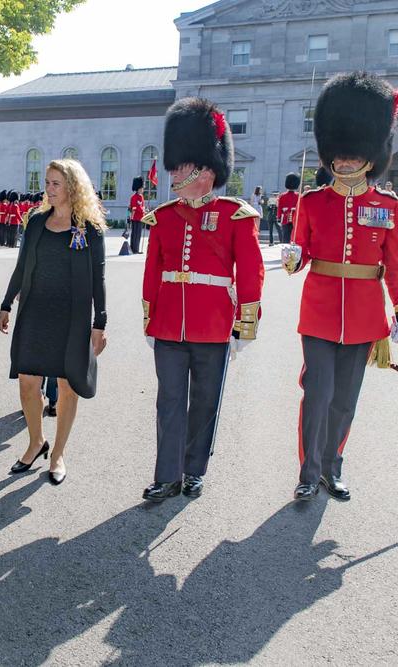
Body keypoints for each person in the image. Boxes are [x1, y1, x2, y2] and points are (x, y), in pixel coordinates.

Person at [282, 71, 398, 502]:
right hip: (319, 311)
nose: (342, 161)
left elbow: (395, 266)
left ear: (370, 155)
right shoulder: (312, 201)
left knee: (344, 401)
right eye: (336, 155)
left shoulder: (388, 205)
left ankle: (332, 466)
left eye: (351, 154)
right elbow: (301, 253)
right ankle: (309, 470)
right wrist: (292, 257)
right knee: (317, 394)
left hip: (363, 316)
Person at [141, 97, 265, 502]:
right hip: (168, 326)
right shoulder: (163, 217)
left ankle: (194, 469)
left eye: (183, 166)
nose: (174, 172)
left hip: (213, 325)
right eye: (175, 165)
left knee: (204, 404)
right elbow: (152, 273)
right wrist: (149, 318)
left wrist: (245, 325)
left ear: (207, 171)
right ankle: (167, 474)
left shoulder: (235, 216)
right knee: (169, 403)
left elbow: (249, 273)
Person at [0, 159, 108, 486]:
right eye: (47, 182)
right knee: (27, 383)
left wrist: (100, 322)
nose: (48, 189)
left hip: (71, 317)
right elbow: (21, 267)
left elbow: (98, 279)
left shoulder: (90, 228)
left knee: (66, 387)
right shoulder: (35, 222)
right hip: (34, 312)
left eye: (56, 183)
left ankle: (57, 453)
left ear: (73, 186)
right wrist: (6, 303)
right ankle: (36, 441)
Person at [277, 172, 301, 244]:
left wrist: (278, 218)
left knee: (286, 239)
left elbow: (279, 208)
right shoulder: (299, 196)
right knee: (295, 239)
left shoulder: (282, 196)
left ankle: (285, 254)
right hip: (296, 220)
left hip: (285, 219)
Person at [128, 177, 146, 253]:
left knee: (138, 234)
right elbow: (134, 207)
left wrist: (144, 210)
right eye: (142, 188)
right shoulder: (134, 197)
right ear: (138, 188)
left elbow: (142, 206)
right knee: (135, 234)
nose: (143, 189)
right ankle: (134, 249)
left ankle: (136, 248)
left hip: (140, 217)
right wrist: (142, 210)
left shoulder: (141, 197)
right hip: (135, 217)